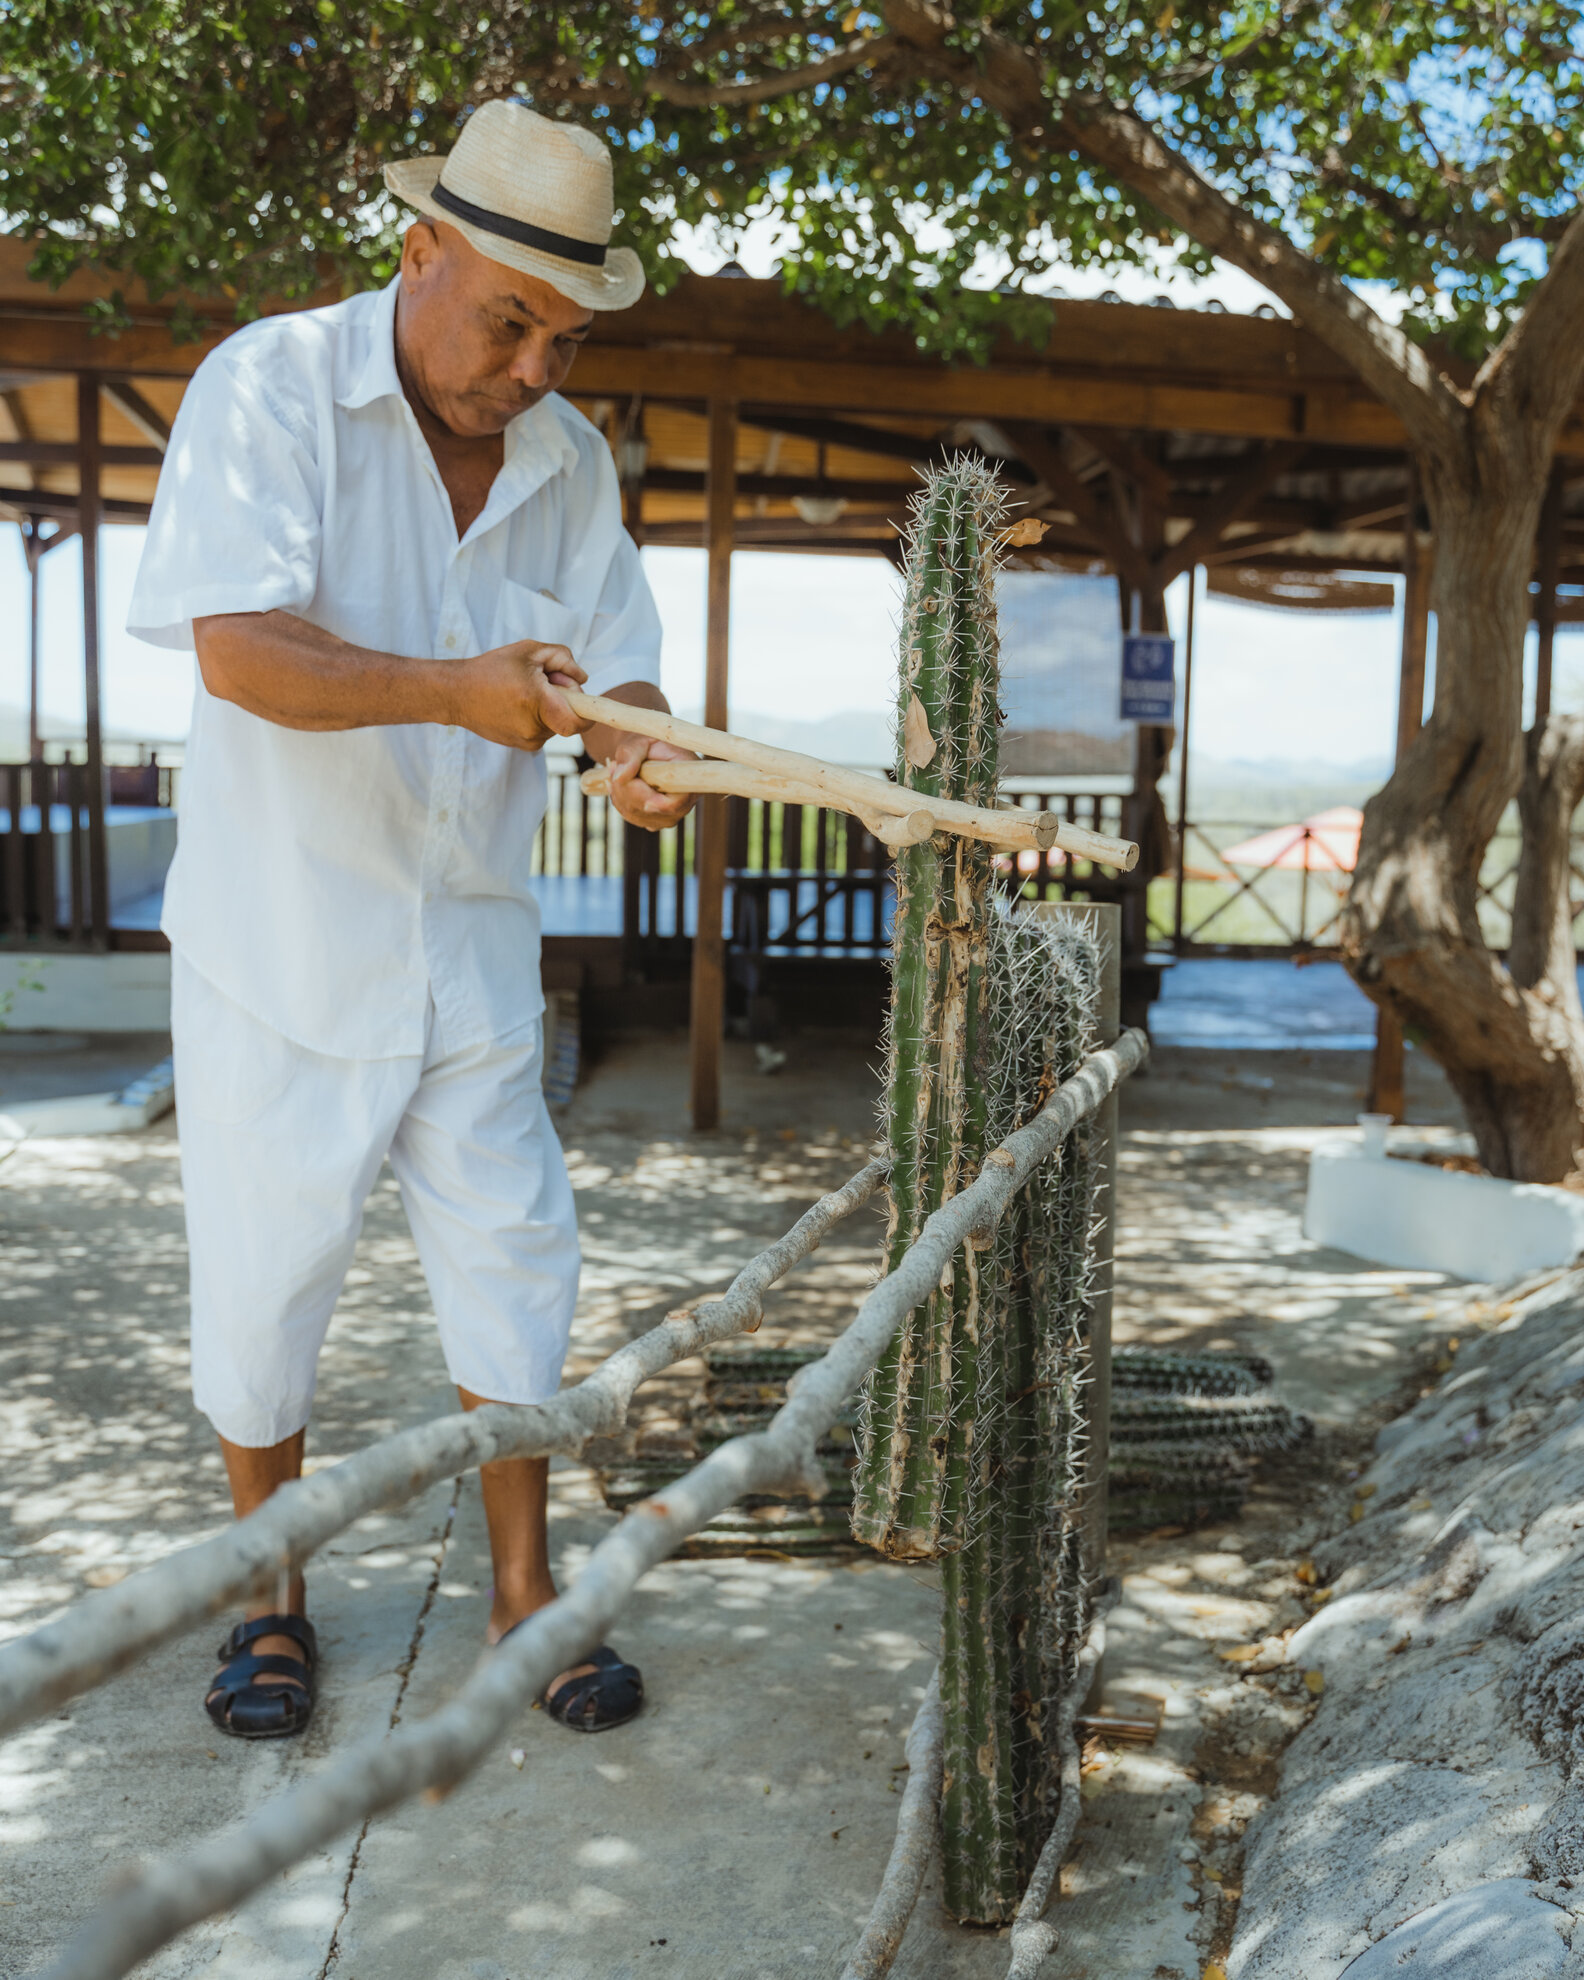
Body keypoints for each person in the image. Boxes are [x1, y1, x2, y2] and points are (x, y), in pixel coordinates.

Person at [128, 100, 692, 1740]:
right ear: (418, 249)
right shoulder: (272, 387)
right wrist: (455, 691)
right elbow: (240, 650)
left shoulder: (568, 461)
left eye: (566, 341)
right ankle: (270, 1598)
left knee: (516, 1263)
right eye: (509, 319)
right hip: (280, 939)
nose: (533, 369)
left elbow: (618, 659)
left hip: (471, 944)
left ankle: (522, 1596)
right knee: (264, 1278)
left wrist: (639, 747)